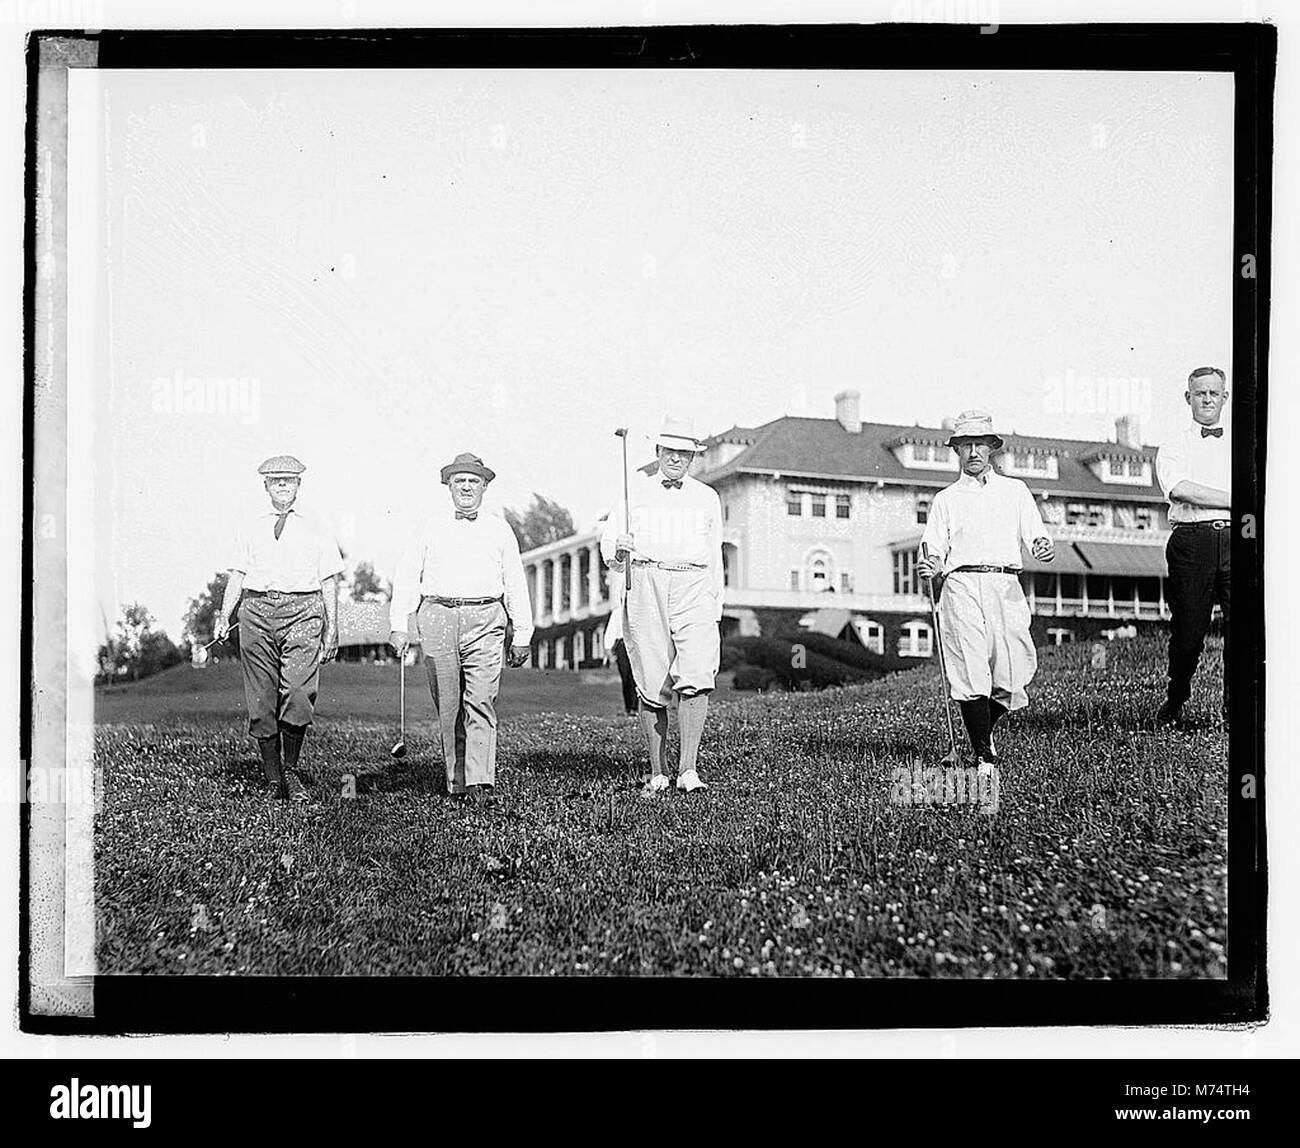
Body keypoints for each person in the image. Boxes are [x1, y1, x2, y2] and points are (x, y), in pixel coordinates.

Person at [388, 452, 533, 807]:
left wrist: (523, 632)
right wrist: (398, 624)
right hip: (437, 615)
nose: (466, 487)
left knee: (481, 698)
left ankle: (480, 783)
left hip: (486, 616)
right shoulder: (430, 525)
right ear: (448, 486)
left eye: (473, 481)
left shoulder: (499, 528)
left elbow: (515, 581)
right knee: (449, 703)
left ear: (484, 487)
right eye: (459, 481)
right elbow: (408, 573)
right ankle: (456, 781)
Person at [916, 411, 1055, 766]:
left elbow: (1035, 532)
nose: (973, 452)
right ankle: (983, 756)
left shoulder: (1015, 491)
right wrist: (931, 562)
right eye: (965, 446)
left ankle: (978, 733)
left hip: (1005, 585)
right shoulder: (946, 499)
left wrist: (1041, 544)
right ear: (957, 451)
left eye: (980, 444)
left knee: (1013, 675)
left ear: (992, 448)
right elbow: (932, 544)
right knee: (971, 668)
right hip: (961, 583)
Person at [600, 416, 724, 795]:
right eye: (670, 450)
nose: (676, 458)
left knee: (697, 671)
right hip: (647, 581)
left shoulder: (707, 497)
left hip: (694, 584)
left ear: (693, 457)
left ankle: (688, 769)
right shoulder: (632, 493)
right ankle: (659, 769)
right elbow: (610, 553)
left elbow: (715, 553)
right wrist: (618, 548)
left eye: (684, 452)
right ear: (657, 453)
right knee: (652, 679)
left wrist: (715, 603)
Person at [215, 455, 344, 801]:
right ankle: (274, 779)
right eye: (276, 481)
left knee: (299, 692)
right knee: (261, 698)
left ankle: (292, 770)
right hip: (256, 610)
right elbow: (237, 574)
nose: (283, 486)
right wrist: (223, 614)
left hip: (303, 609)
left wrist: (332, 627)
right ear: (266, 486)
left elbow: (329, 578)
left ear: (299, 485)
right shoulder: (250, 523)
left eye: (289, 480)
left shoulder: (317, 523)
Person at [1154, 367, 1231, 725]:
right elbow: (1181, 489)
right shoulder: (1173, 445)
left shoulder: (1243, 444)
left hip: (1239, 540)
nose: (1207, 400)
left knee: (1245, 632)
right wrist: (1237, 498)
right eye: (1200, 393)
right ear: (1189, 398)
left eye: (1214, 393)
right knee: (1188, 634)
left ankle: (1235, 711)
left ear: (1225, 398)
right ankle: (1175, 700)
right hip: (1192, 541)